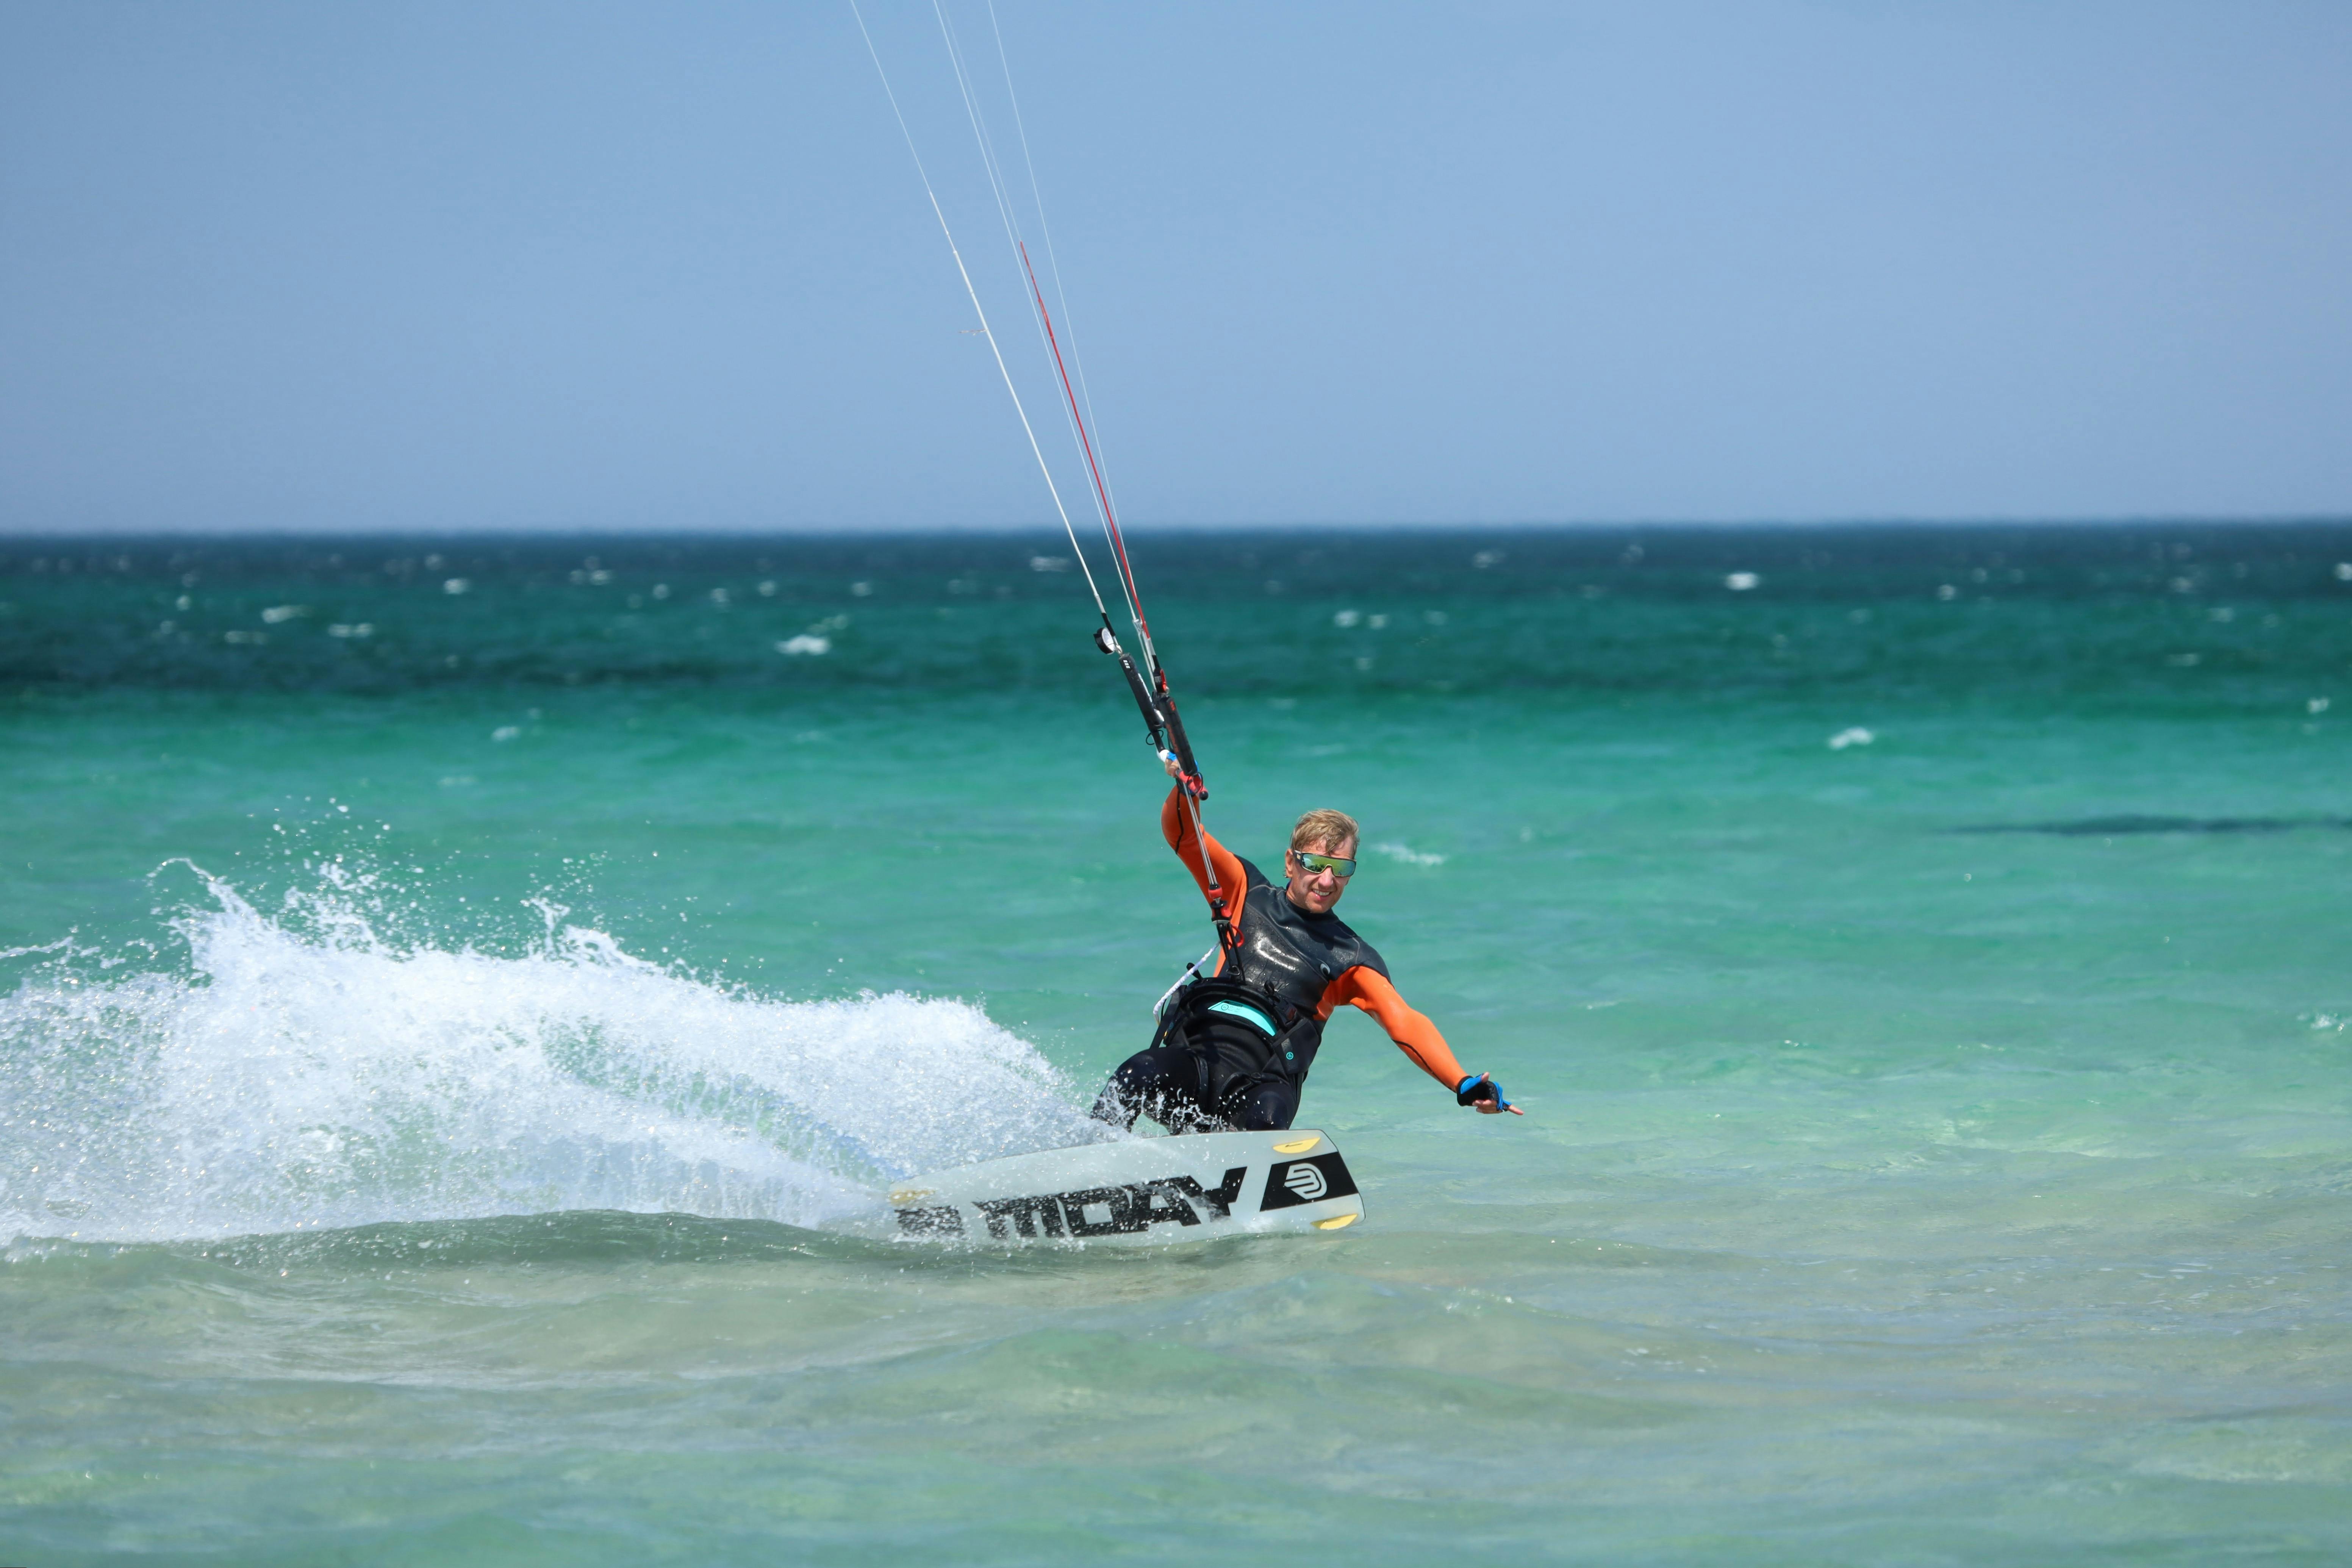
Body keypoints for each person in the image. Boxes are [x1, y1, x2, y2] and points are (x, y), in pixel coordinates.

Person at [1090, 755, 1522, 1133]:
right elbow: (1185, 837)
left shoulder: (1350, 957)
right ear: (1290, 862)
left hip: (1262, 1086)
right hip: (1199, 1060)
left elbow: (1405, 1022)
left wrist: (1462, 1084)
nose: (1327, 879)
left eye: (1341, 867)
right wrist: (1185, 792)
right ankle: (1082, 1167)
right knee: (1137, 1072)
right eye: (1316, 864)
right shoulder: (1244, 891)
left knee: (1266, 1119)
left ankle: (1242, 1196)